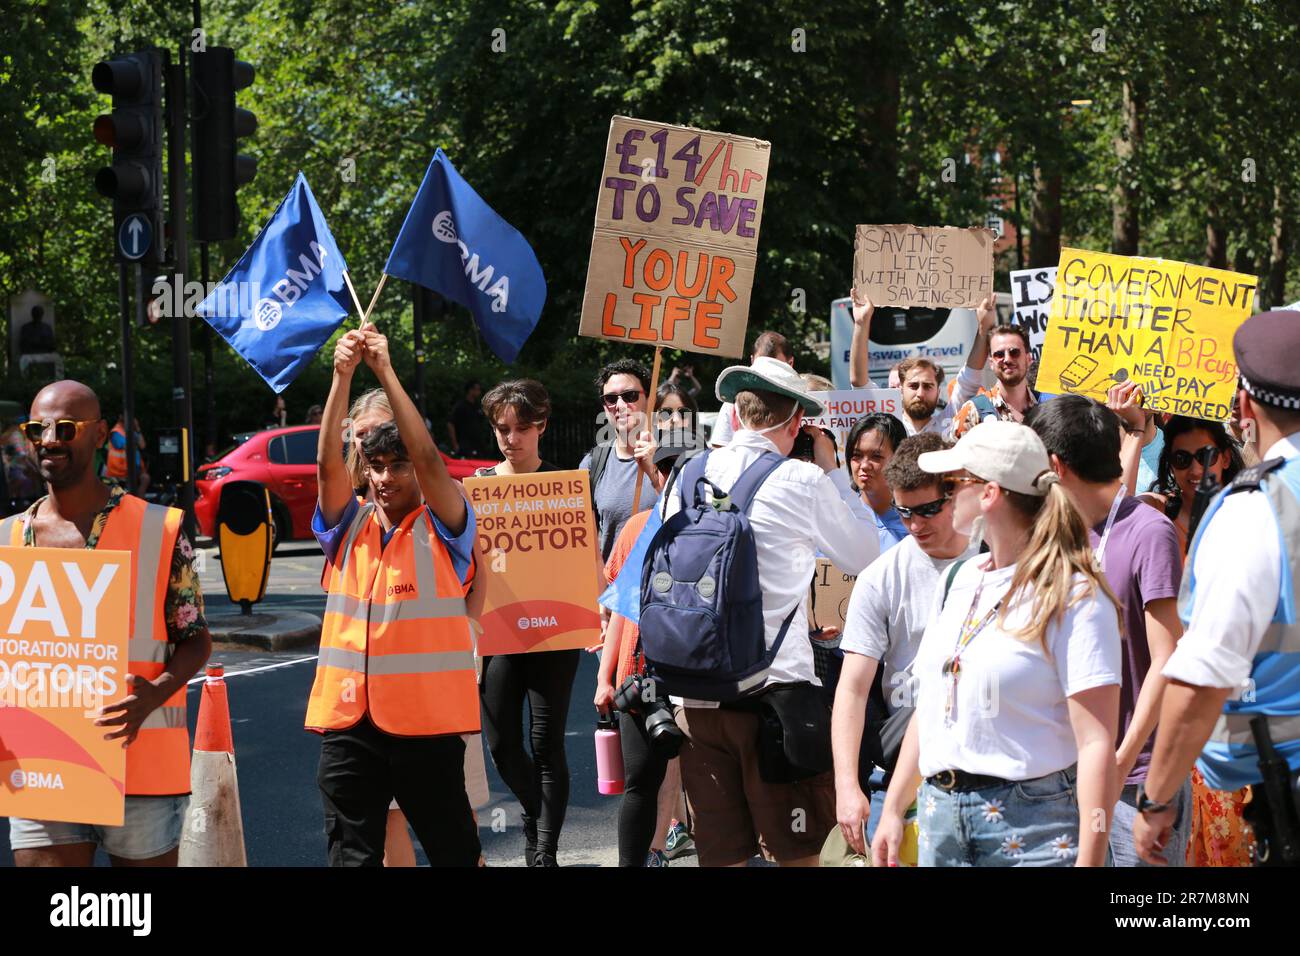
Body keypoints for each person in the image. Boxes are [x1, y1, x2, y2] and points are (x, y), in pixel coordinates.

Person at [873, 420, 1122, 867]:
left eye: (952, 483)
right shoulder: (960, 579)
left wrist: (1092, 856)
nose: (944, 496)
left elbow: (1097, 742)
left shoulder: (1073, 592)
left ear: (988, 493)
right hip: (940, 816)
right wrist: (893, 808)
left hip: (1034, 826)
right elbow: (931, 705)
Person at [667, 356, 880, 866]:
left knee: (721, 855)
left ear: (737, 416)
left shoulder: (689, 473)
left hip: (695, 698)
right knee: (797, 854)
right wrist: (830, 469)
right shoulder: (802, 480)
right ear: (796, 423)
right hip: (776, 700)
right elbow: (865, 554)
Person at [3, 381, 211, 866]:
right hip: (41, 769)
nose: (49, 438)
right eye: (37, 427)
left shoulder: (159, 528)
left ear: (100, 435)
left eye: (66, 427)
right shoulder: (6, 540)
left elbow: (195, 640)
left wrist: (154, 695)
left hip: (139, 767)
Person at [309, 324, 481, 867]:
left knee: (453, 854)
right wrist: (341, 377)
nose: (386, 478)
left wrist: (385, 370)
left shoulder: (446, 525)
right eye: (376, 465)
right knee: (351, 858)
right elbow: (326, 468)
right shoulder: (346, 527)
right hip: (348, 724)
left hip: (426, 728)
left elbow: (431, 462)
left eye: (397, 463)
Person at [1134, 311, 1300, 869]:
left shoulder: (1256, 511)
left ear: (1245, 408)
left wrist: (1157, 799)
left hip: (1281, 790)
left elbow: (1201, 676)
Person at [1025, 395, 1190, 867]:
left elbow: (1168, 660)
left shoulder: (1148, 531)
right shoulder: (1060, 530)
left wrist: (1121, 760)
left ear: (1056, 466)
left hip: (1137, 777)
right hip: (1071, 771)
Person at [833, 433, 976, 860]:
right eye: (905, 512)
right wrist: (847, 786)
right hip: (910, 768)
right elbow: (853, 688)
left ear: (957, 490)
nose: (916, 526)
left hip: (993, 766)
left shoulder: (997, 553)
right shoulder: (880, 577)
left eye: (928, 510)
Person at [473, 379, 580, 867]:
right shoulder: (479, 484)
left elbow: (580, 560)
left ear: (541, 427)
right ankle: (536, 813)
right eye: (502, 429)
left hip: (554, 632)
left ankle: (545, 851)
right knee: (501, 741)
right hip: (499, 632)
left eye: (520, 428)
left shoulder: (564, 486)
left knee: (545, 742)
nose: (511, 438)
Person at [595, 443, 693, 866]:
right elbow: (623, 607)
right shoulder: (637, 528)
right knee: (641, 781)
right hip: (641, 675)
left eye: (681, 473)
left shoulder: (721, 528)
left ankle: (673, 848)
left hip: (698, 677)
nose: (671, 480)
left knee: (706, 784)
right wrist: (604, 677)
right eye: (665, 471)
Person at [580, 358, 658, 561]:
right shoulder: (592, 463)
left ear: (649, 399)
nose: (620, 405)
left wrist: (655, 475)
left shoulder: (672, 458)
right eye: (611, 399)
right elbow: (581, 540)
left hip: (662, 586)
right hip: (613, 587)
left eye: (630, 396)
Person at [1138, 415, 1244, 555]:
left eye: (1205, 457)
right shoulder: (1157, 509)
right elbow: (1117, 517)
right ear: (1170, 465)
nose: (1195, 470)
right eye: (1182, 459)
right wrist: (1135, 428)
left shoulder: (1248, 514)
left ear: (1225, 458)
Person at [950, 298, 1039, 439]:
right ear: (991, 363)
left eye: (1014, 352)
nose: (1007, 359)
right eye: (999, 354)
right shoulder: (973, 411)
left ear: (1028, 359)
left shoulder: (1045, 407)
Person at [709, 330, 795, 448]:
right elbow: (719, 448)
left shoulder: (800, 401)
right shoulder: (733, 402)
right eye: (762, 365)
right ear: (752, 360)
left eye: (775, 367)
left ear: (790, 363)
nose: (767, 374)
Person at [846, 413, 909, 551]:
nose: (864, 465)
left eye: (876, 456)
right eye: (857, 455)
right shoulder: (839, 517)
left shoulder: (916, 525)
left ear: (898, 459)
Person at [894, 356, 956, 437]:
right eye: (913, 386)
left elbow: (969, 381)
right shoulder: (889, 430)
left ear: (938, 392)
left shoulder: (948, 425)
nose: (920, 394)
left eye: (927, 386)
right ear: (901, 391)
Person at [447, 380, 489, 458]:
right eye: (477, 389)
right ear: (470, 390)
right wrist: (455, 444)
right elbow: (450, 424)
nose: (479, 392)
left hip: (478, 443)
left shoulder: (478, 406)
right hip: (464, 443)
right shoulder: (460, 406)